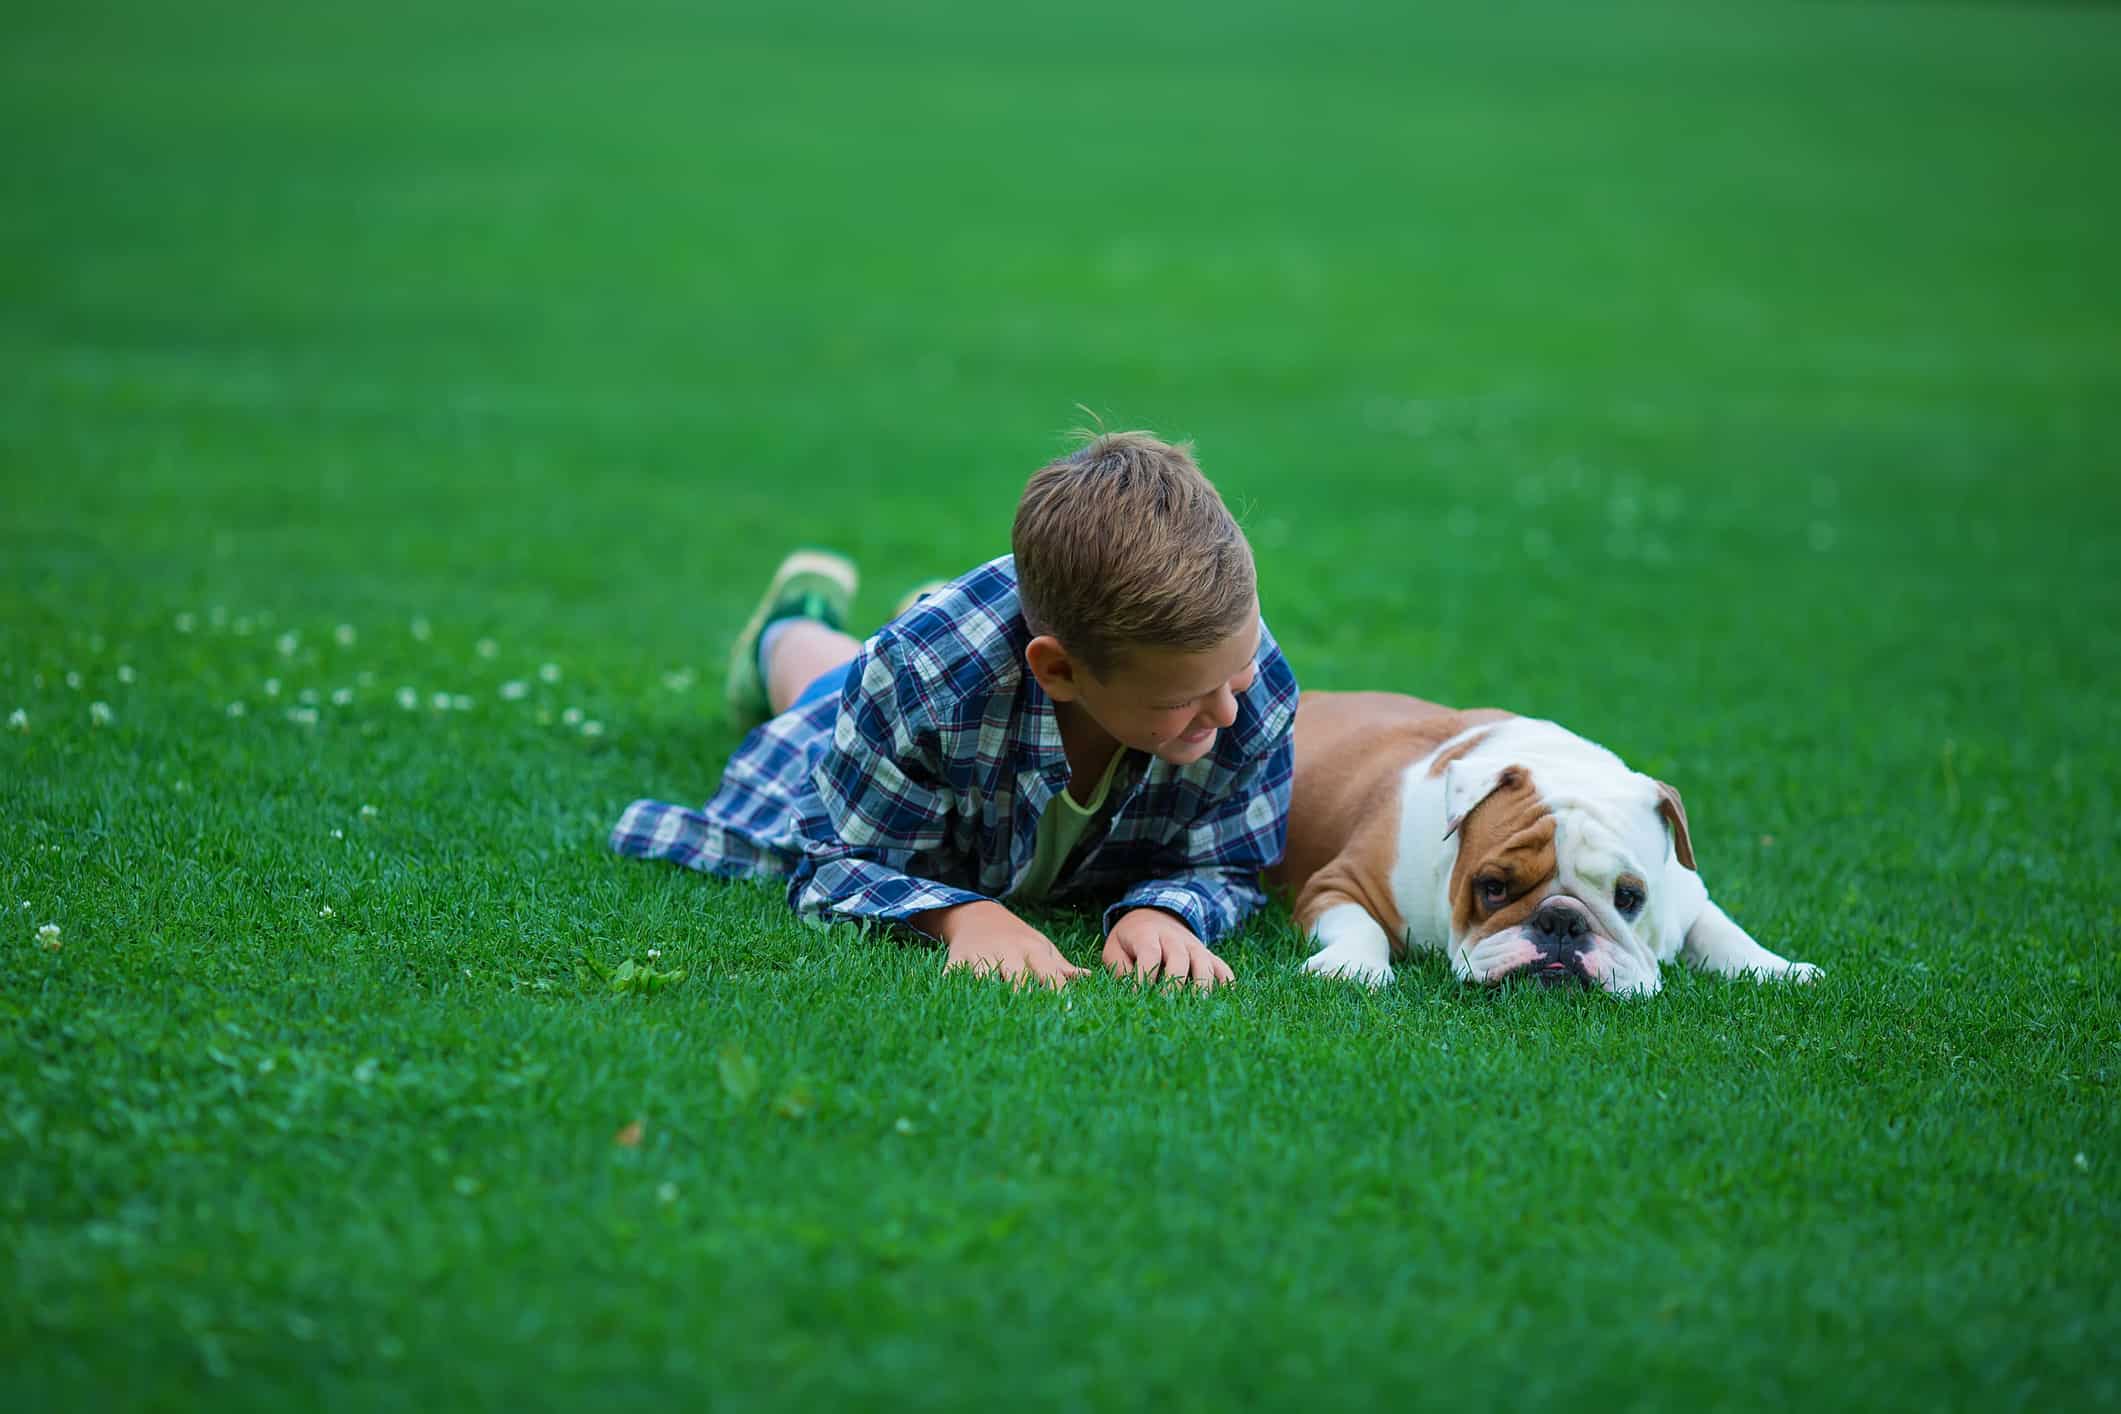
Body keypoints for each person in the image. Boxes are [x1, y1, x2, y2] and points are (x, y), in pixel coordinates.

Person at [610, 430, 1299, 988]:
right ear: (1058, 671)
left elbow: (1227, 862)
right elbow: (840, 859)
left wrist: (1165, 912)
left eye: (1234, 673)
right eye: (1180, 700)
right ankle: (788, 626)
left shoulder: (1250, 681)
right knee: (825, 692)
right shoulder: (918, 676)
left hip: (975, 667)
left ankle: (918, 603)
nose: (1227, 713)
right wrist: (962, 918)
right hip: (914, 687)